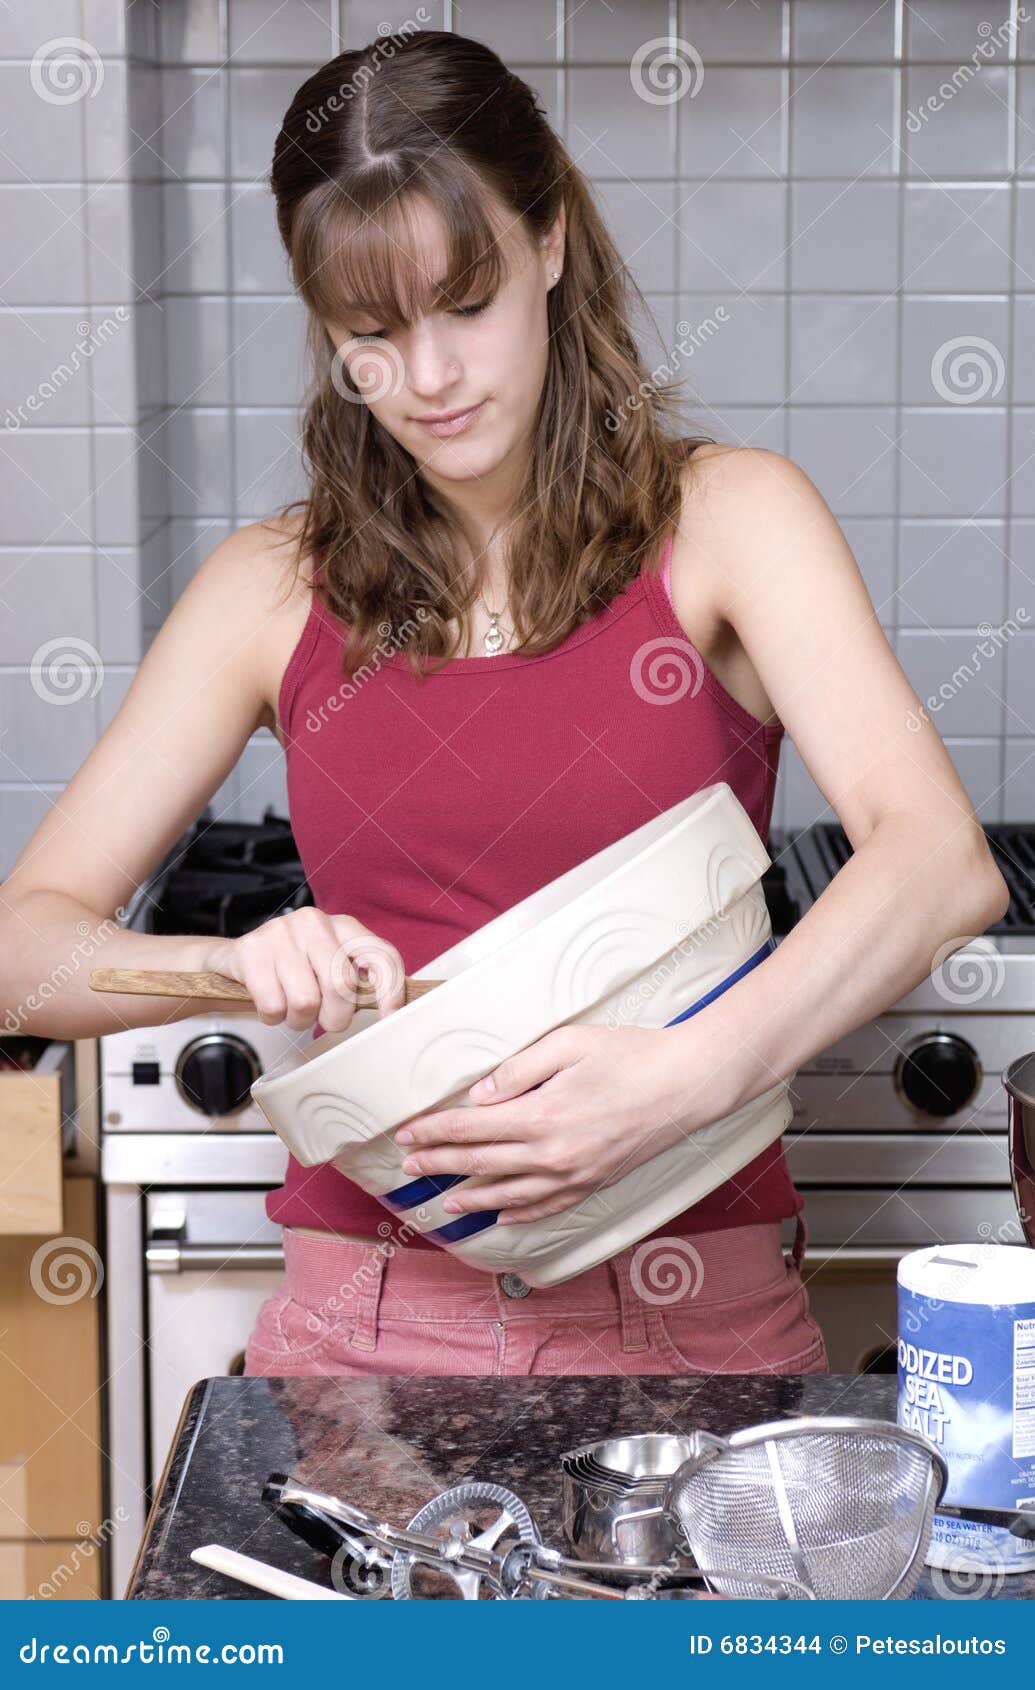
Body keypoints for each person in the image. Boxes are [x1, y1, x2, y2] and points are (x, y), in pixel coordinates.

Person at [2, 30, 1008, 1380]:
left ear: (547, 244)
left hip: (690, 1319)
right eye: (372, 334)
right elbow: (24, 953)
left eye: (463, 303)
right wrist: (227, 965)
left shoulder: (731, 521)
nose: (427, 378)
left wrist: (684, 1076)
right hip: (357, 1333)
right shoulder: (269, 589)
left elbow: (939, 862)